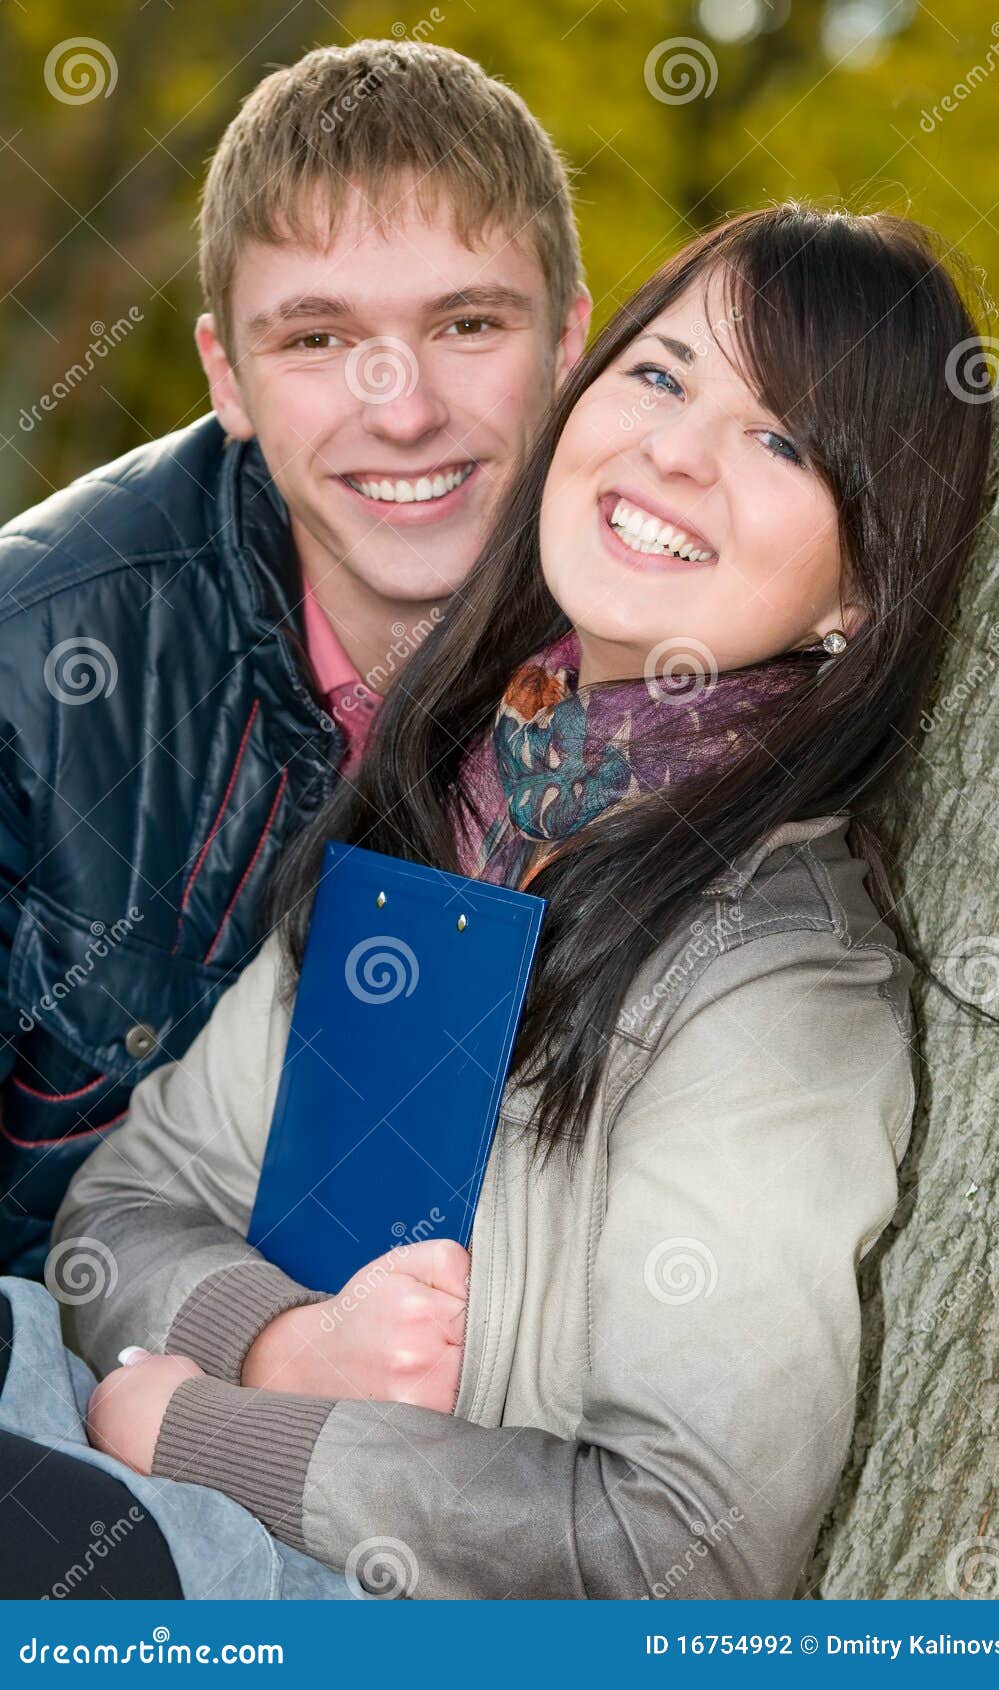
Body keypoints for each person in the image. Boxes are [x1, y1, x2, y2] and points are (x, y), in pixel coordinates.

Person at [50, 204, 992, 1600]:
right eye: (661, 375)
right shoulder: (464, 803)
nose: (675, 449)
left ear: (860, 588)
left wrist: (209, 1426)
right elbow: (119, 1207)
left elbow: (682, 1548)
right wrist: (280, 1343)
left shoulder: (777, 985)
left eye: (782, 437)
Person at [0, 36, 588, 1599]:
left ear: (574, 343)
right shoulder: (37, 669)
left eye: (468, 323)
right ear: (225, 376)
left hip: (453, 1470)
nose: (401, 409)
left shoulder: (684, 656)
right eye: (319, 337)